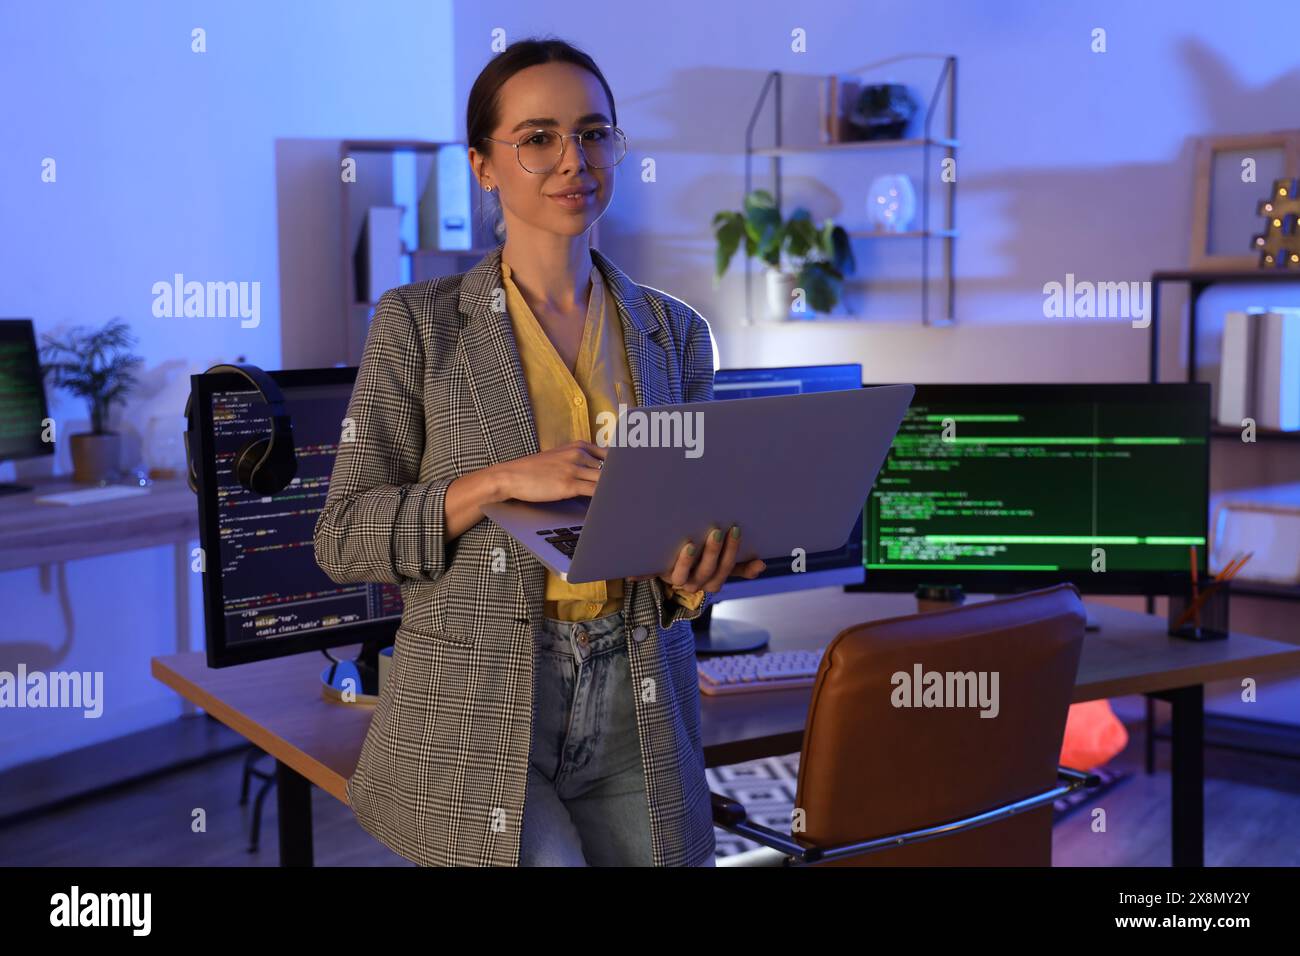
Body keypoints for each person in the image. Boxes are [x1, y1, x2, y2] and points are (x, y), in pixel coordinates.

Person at [313, 36, 764, 867]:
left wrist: (695, 577)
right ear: (484, 164)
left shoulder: (675, 334)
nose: (573, 161)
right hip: (483, 708)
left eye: (594, 134)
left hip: (640, 699)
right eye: (539, 137)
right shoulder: (417, 325)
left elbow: (680, 540)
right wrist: (495, 483)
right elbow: (343, 536)